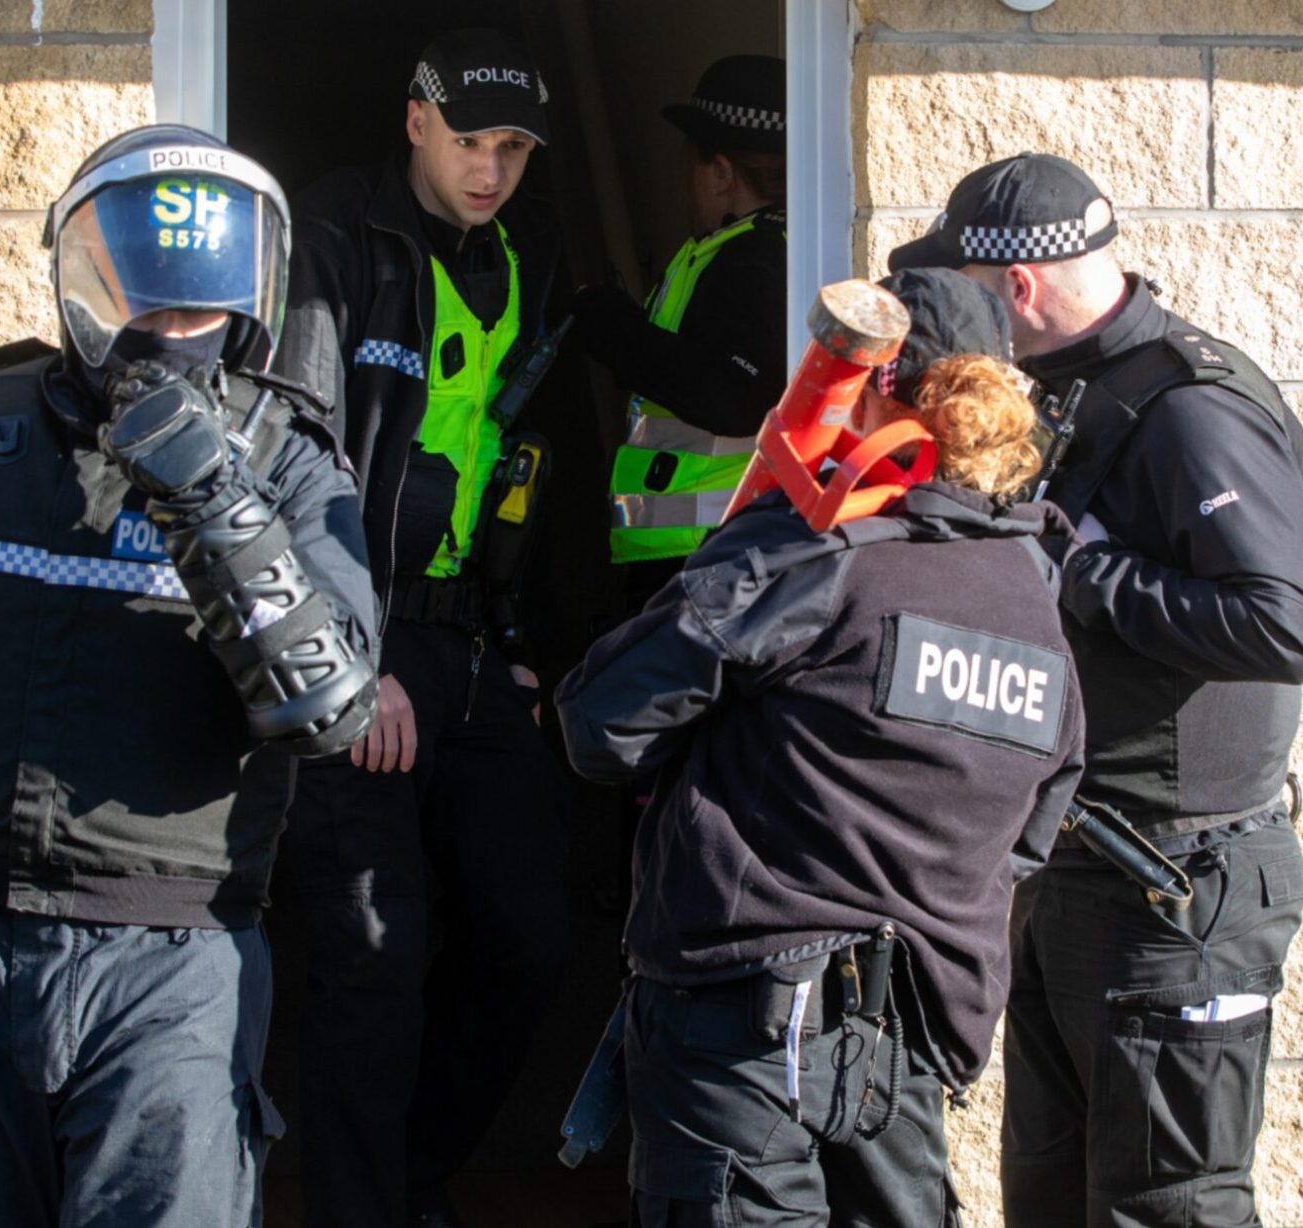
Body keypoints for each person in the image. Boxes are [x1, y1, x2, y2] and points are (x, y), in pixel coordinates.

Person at [0, 124, 378, 1227]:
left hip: (174, 960)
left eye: (200, 311)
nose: (174, 334)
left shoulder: (289, 465)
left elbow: (327, 706)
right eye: (150, 304)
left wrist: (209, 496)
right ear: (87, 282)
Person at [555, 268, 1086, 1227]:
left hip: (742, 1028)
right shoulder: (1032, 589)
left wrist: (750, 541)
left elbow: (600, 722)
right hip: (910, 1043)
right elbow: (1036, 822)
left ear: (875, 390)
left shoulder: (818, 557)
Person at [890, 152, 1303, 1227]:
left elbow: (1283, 624)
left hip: (1175, 886)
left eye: (966, 291)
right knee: (1048, 1194)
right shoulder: (1067, 387)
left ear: (1017, 287)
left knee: (1165, 1205)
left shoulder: (1189, 409)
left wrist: (1085, 571)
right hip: (1078, 868)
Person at [261, 28, 570, 1228]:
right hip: (361, 647)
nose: (489, 170)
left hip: (472, 651)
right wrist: (353, 653)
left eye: (512, 150)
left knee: (528, 938)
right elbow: (297, 457)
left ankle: (412, 1176)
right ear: (414, 123)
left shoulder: (522, 257)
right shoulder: (337, 235)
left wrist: (514, 636)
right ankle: (360, 1210)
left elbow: (514, 457)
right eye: (468, 141)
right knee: (369, 962)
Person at [574, 54, 789, 611]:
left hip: (713, 559)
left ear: (721, 174)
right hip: (718, 552)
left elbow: (730, 394)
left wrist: (612, 326)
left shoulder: (755, 259)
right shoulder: (742, 249)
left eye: (692, 163)